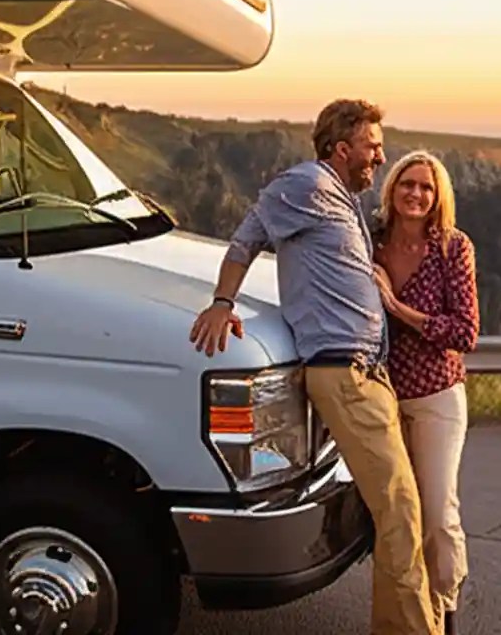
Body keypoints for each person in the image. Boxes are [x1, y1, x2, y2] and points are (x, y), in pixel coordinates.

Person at [189, 99, 442, 635]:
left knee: (399, 509)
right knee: (401, 510)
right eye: (373, 145)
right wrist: (222, 302)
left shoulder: (343, 198)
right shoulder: (304, 185)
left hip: (367, 374)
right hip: (344, 374)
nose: (380, 155)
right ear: (341, 147)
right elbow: (247, 238)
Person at [370, 150, 479, 635]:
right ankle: (408, 619)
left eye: (426, 187)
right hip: (382, 399)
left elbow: (465, 332)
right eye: (407, 184)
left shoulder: (453, 248)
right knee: (399, 521)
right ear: (392, 190)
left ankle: (446, 613)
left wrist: (397, 308)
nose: (416, 194)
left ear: (438, 199)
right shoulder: (369, 243)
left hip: (437, 397)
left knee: (437, 514)